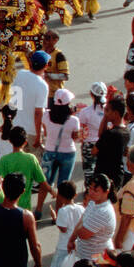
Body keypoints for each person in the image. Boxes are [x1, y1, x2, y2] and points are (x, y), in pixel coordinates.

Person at [38, 88, 80, 216]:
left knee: (45, 182)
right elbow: (76, 138)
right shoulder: (74, 120)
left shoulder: (46, 115)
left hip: (50, 150)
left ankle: (38, 210)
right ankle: (58, 213)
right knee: (63, 185)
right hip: (68, 152)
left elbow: (45, 131)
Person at [0, 126, 46, 215]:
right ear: (25, 142)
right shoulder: (31, 158)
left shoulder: (4, 160)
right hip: (25, 209)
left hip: (7, 207)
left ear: (10, 141)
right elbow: (42, 182)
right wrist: (53, 192)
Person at [68, 173, 116, 263]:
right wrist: (71, 239)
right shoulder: (93, 202)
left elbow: (83, 234)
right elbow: (82, 220)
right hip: (84, 255)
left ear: (106, 192)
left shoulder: (103, 212)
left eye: (96, 190)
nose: (91, 192)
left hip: (96, 261)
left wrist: (80, 227)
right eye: (90, 188)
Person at [10, 50, 50, 148]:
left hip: (17, 127)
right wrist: (38, 137)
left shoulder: (20, 74)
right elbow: (38, 112)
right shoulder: (42, 85)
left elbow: (13, 102)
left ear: (30, 63)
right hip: (32, 132)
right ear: (46, 66)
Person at [93, 93, 129, 189]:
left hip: (104, 178)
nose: (105, 113)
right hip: (117, 177)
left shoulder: (111, 134)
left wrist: (105, 118)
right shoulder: (126, 132)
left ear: (116, 113)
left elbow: (94, 151)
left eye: (108, 110)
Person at [77, 82, 106, 189]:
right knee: (101, 169)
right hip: (104, 143)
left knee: (88, 170)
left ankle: (89, 191)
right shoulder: (110, 110)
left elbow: (81, 131)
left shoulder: (85, 112)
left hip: (89, 144)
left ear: (91, 94)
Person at [40, 30, 69, 96]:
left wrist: (48, 75)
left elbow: (65, 76)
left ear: (55, 40)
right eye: (44, 37)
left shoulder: (59, 56)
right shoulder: (41, 52)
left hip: (54, 95)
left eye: (47, 38)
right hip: (41, 93)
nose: (44, 40)